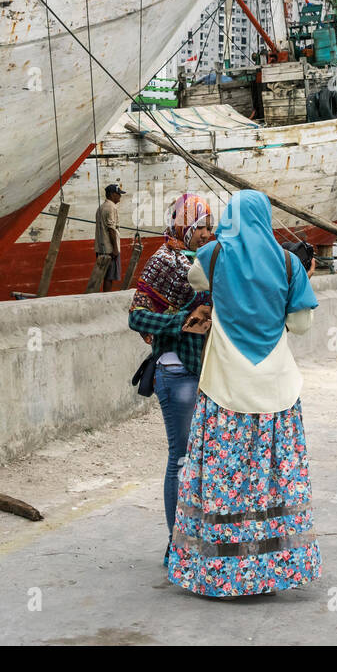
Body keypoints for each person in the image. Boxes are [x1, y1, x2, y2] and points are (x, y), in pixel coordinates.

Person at [167, 190, 321, 597]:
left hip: (224, 389)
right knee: (272, 480)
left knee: (223, 478)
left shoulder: (214, 256)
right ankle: (271, 569)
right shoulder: (289, 263)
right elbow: (302, 325)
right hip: (277, 390)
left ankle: (220, 571)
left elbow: (193, 279)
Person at [128, 193, 215, 566]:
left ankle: (192, 541)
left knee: (199, 458)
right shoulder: (163, 261)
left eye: (211, 226)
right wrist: (178, 322)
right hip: (175, 370)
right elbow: (136, 316)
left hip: (204, 371)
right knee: (180, 457)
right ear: (186, 226)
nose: (208, 233)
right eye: (203, 226)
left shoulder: (209, 259)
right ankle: (175, 546)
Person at [96, 183, 124, 292]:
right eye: (118, 194)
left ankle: (101, 297)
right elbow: (111, 229)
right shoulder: (111, 207)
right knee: (109, 276)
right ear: (112, 194)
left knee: (102, 275)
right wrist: (115, 249)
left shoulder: (101, 207)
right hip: (109, 249)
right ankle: (106, 298)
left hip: (100, 248)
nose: (120, 196)